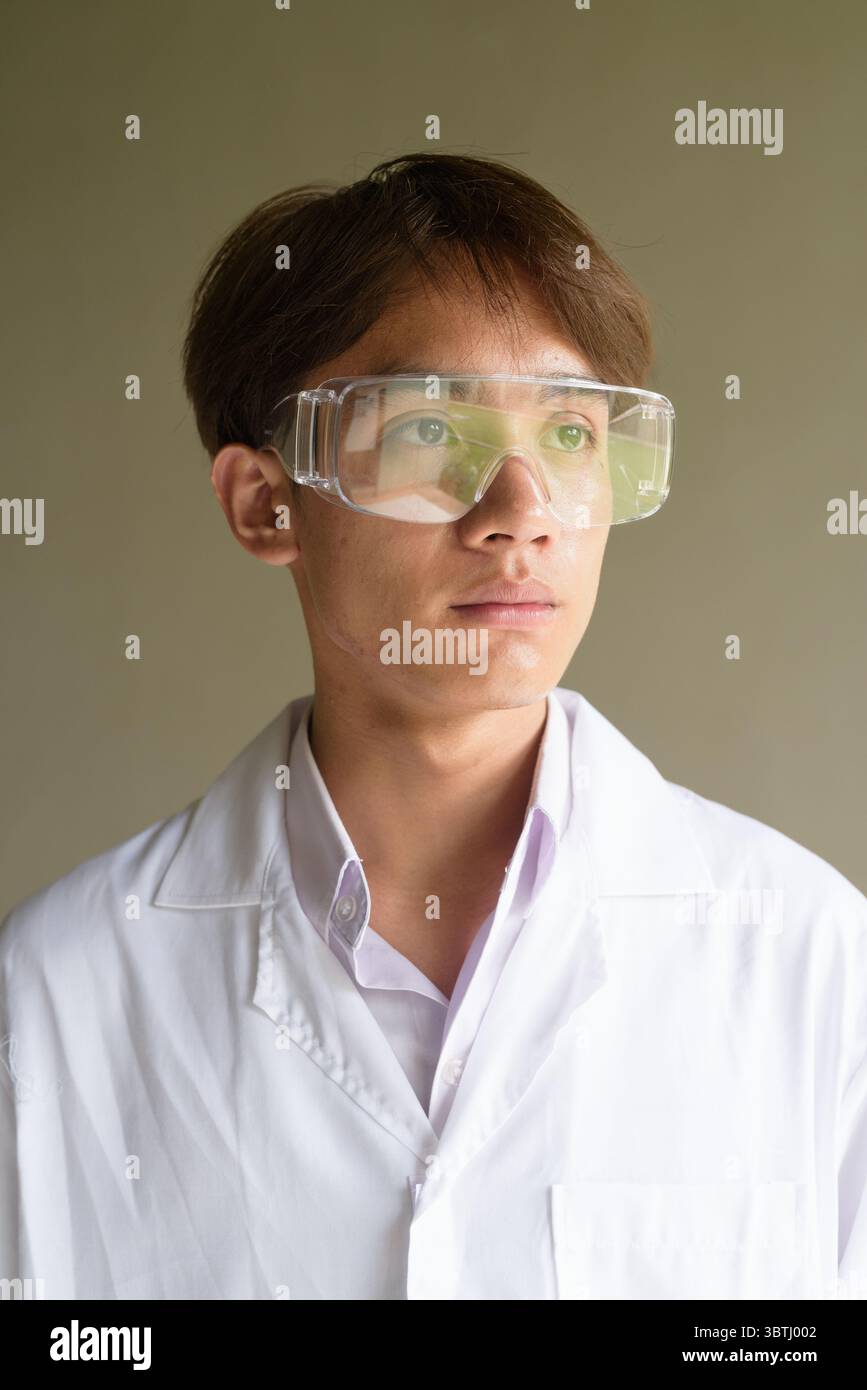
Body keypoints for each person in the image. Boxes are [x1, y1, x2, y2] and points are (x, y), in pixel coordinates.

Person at [1, 153, 865, 1302]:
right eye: (425, 433)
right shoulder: (56, 997)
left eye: (569, 434)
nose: (521, 515)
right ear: (268, 503)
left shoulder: (813, 960)